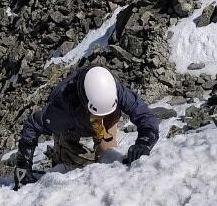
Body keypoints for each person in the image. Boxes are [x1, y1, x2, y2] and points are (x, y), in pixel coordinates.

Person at [13, 64, 159, 188]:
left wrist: (144, 142)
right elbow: (32, 125)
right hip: (72, 123)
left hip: (101, 114)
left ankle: (102, 144)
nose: (100, 119)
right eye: (97, 116)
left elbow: (144, 114)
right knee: (69, 168)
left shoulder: (112, 88)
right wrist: (23, 166)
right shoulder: (62, 108)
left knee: (109, 160)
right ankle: (63, 152)